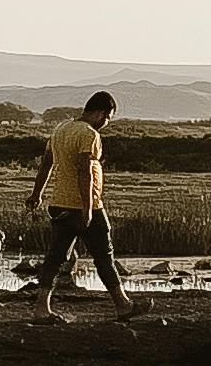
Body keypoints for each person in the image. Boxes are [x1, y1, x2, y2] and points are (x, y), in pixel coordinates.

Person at [29, 91, 133, 318]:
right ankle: (123, 305)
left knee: (55, 257)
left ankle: (41, 308)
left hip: (59, 202)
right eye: (108, 118)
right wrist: (87, 209)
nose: (106, 123)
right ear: (101, 113)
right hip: (86, 205)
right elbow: (84, 171)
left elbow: (46, 164)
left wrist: (37, 194)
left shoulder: (61, 129)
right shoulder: (89, 134)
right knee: (104, 255)